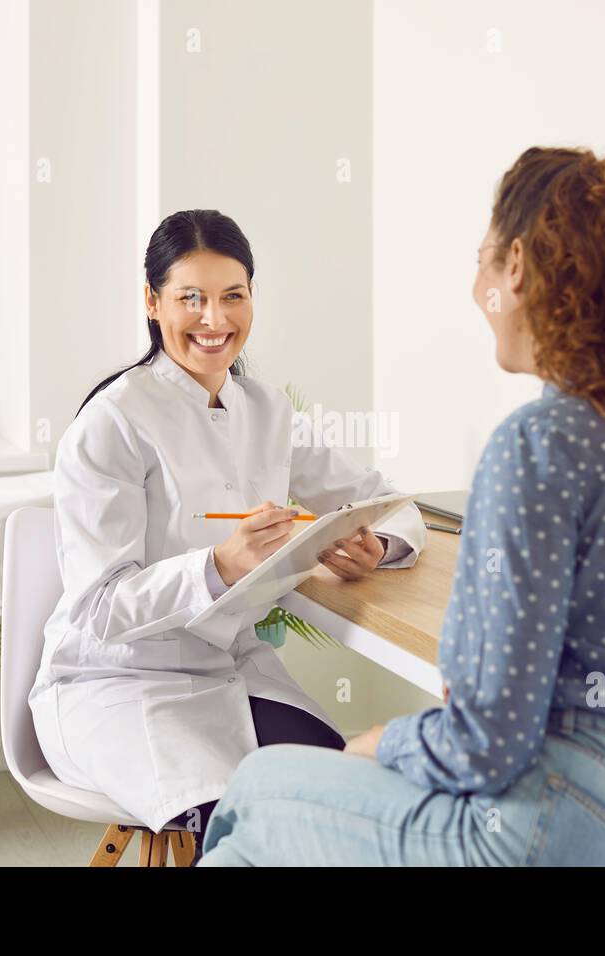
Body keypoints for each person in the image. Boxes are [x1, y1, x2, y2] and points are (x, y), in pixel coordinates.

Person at [199, 147, 605, 866]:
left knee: (254, 791)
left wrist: (384, 742)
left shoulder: (542, 445)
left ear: (515, 266)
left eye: (482, 257)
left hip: (557, 826)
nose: (476, 283)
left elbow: (488, 743)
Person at [29, 209, 426, 860]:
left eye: (232, 296)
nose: (215, 320)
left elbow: (380, 500)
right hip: (117, 685)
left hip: (231, 671)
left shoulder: (267, 409)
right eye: (191, 299)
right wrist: (218, 566)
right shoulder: (113, 424)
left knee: (348, 799)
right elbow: (100, 608)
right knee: (252, 828)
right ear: (152, 303)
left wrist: (379, 545)